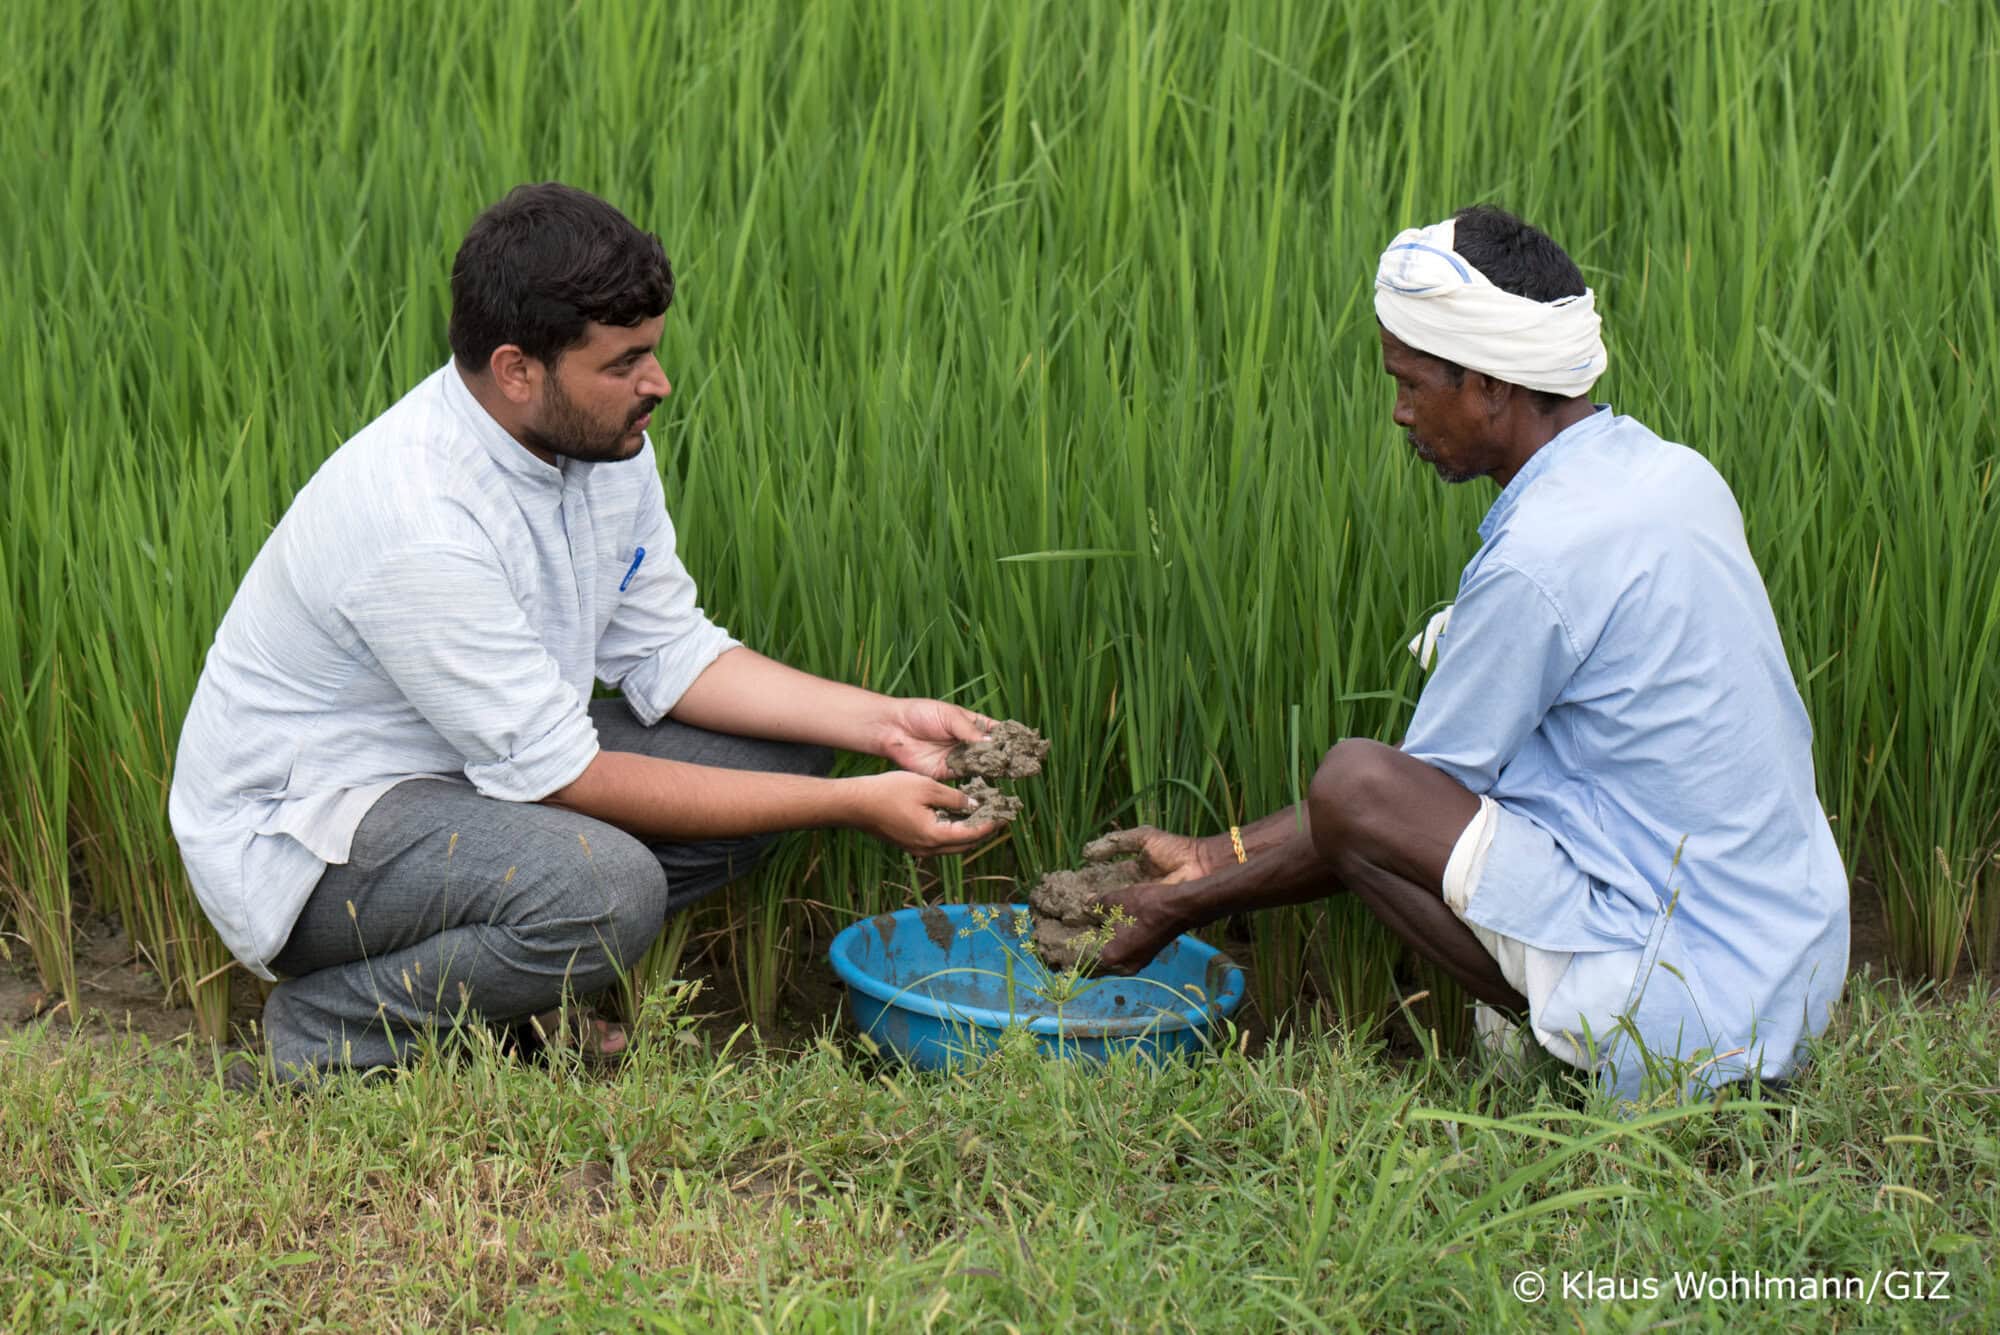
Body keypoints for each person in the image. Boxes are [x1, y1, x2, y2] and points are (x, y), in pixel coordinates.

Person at [170, 182, 1000, 1082]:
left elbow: (667, 650)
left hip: (472, 773)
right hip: (314, 837)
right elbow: (564, 778)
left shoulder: (602, 445)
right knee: (606, 885)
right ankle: (332, 1030)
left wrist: (886, 726)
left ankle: (501, 1008)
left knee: (782, 754)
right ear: (519, 368)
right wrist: (856, 807)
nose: (659, 384)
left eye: (654, 352)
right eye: (623, 363)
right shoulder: (416, 518)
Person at [1091, 206, 1849, 1101]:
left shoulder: (1542, 557)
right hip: (1793, 964)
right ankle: (1597, 1025)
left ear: (1490, 383)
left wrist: (1177, 903)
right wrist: (1206, 852)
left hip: (1692, 1008)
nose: (1400, 412)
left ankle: (1587, 1055)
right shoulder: (1671, 473)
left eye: (1413, 384)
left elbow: (1382, 810)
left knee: (1356, 785)